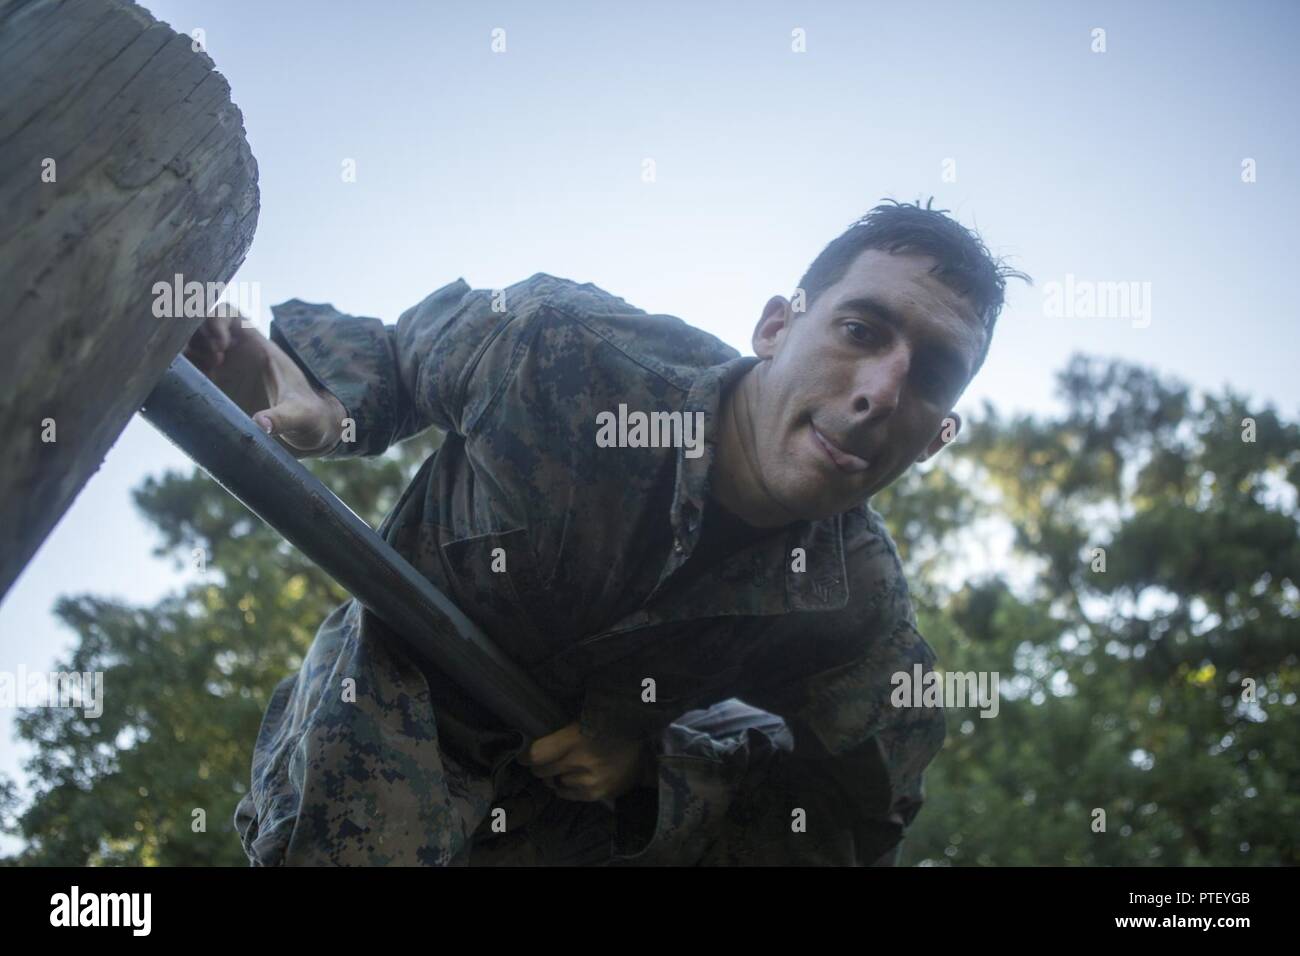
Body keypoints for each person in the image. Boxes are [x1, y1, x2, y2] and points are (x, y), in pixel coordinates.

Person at [187, 199, 1025, 865]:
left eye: (933, 377)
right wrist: (327, 406)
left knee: (749, 745)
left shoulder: (859, 616)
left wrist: (658, 777)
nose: (880, 391)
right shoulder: (564, 352)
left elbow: (853, 824)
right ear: (777, 327)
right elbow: (406, 354)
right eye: (860, 330)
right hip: (383, 727)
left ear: (934, 440)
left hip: (575, 833)